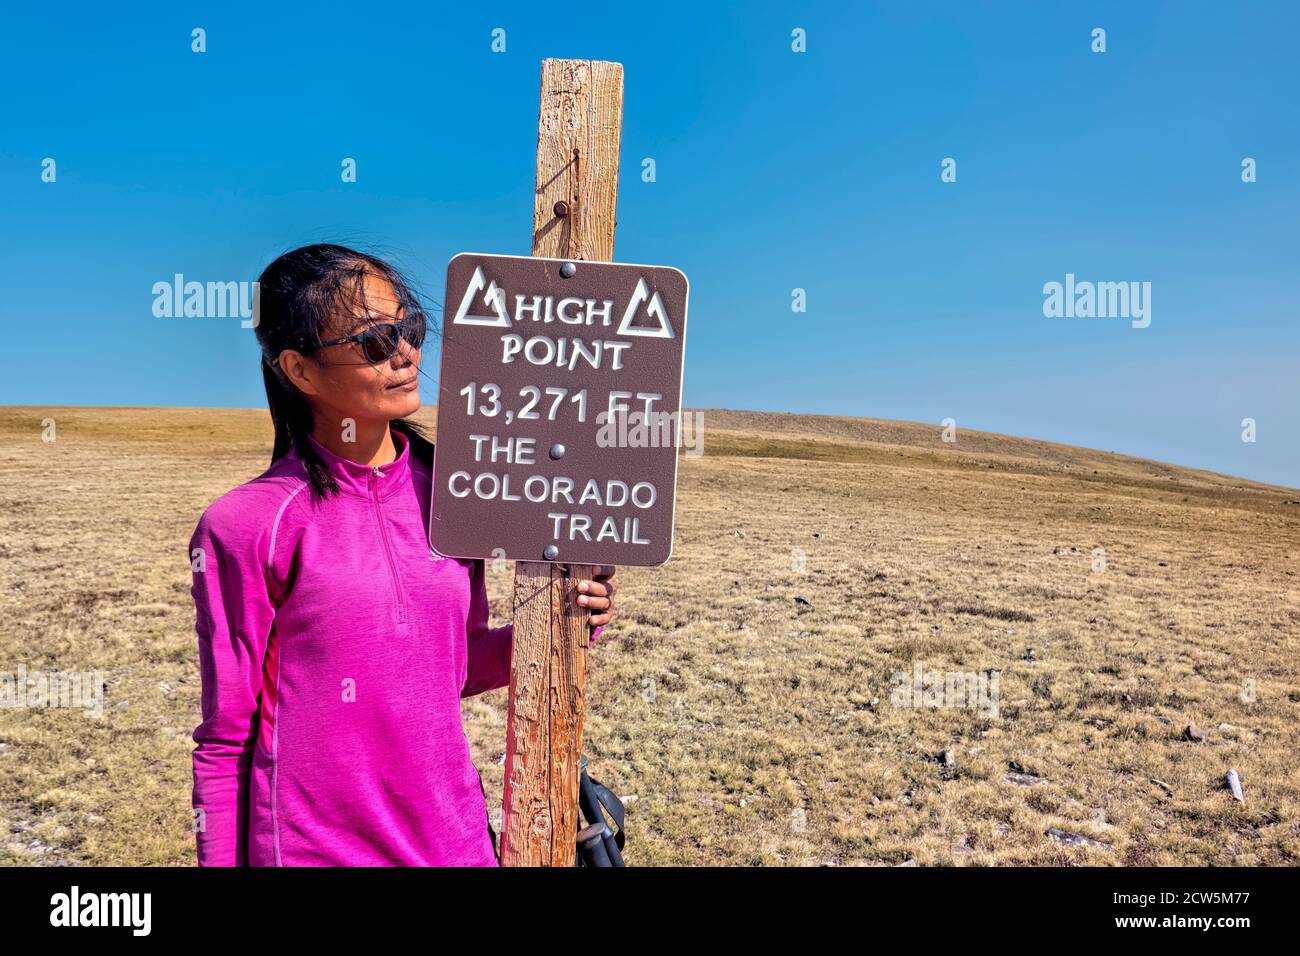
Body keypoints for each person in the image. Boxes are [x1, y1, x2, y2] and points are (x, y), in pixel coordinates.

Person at [187, 243, 618, 865]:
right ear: (300, 370)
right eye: (373, 341)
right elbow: (227, 740)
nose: (406, 353)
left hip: (455, 842)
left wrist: (568, 617)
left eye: (409, 327)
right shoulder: (248, 524)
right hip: (315, 853)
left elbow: (460, 666)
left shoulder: (458, 491)